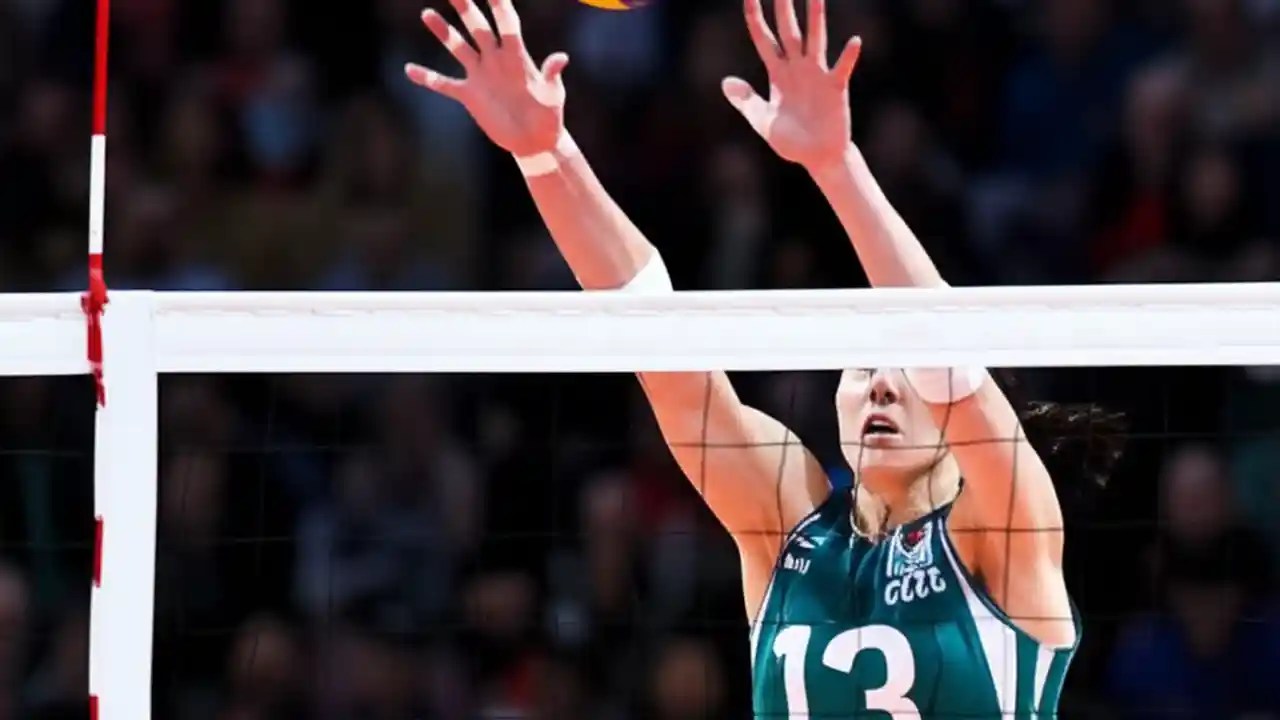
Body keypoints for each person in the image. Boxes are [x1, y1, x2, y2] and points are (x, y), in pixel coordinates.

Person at [406, 0, 1111, 715]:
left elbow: (944, 352)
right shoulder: (789, 525)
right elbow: (662, 352)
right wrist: (544, 154)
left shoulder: (1006, 527)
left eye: (906, 371)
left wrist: (836, 166)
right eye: (865, 367)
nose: (882, 387)